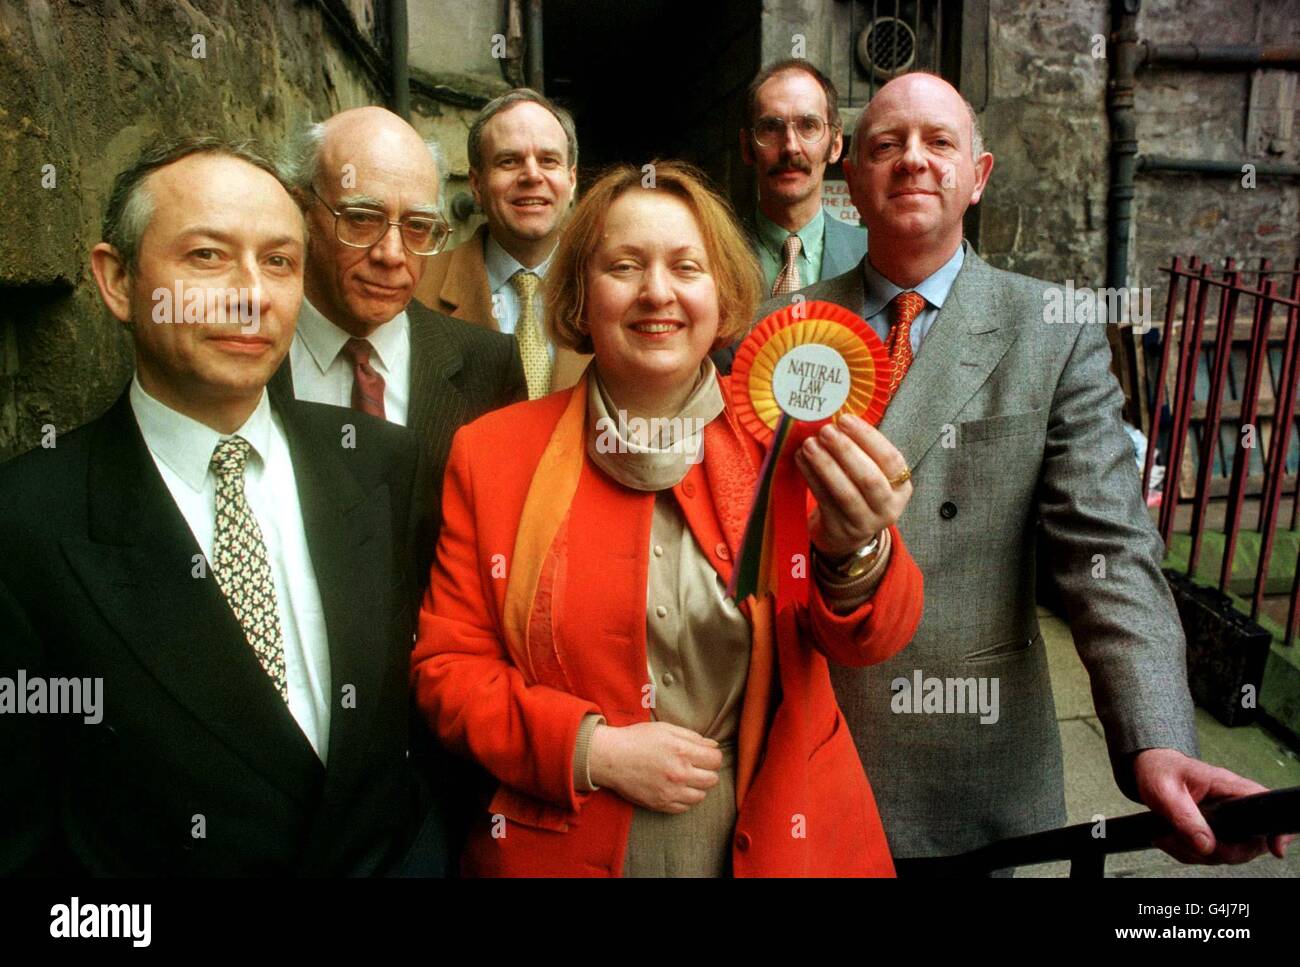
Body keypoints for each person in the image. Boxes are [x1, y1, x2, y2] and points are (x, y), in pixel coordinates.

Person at [759, 71, 1291, 872]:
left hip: (962, 770)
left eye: (940, 142)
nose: (913, 160)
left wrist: (1158, 741)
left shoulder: (1053, 331)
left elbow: (1107, 551)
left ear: (978, 177)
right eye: (886, 145)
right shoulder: (779, 332)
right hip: (799, 747)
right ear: (852, 180)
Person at [410, 160, 924, 877]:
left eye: (687, 266)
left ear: (723, 295)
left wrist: (857, 551)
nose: (658, 292)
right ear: (582, 297)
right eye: (624, 266)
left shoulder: (784, 437)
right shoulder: (493, 454)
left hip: (783, 840)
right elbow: (448, 667)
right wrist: (590, 750)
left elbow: (876, 639)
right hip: (563, 837)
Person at [0, 137, 449, 875]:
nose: (252, 293)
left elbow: (404, 769)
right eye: (207, 256)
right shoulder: (25, 528)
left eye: (279, 261)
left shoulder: (382, 466)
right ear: (117, 280)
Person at [273, 107, 526, 574]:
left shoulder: (488, 366)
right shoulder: (246, 361)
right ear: (301, 211)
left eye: (416, 227)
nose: (392, 255)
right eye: (362, 219)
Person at [413, 89, 590, 398]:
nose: (532, 175)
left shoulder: (607, 291)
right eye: (509, 161)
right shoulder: (417, 289)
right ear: (476, 184)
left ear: (571, 180)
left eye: (548, 161)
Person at [740, 59, 867, 297]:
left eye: (808, 125)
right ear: (746, 147)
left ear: (836, 144)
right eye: (770, 127)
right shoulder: (713, 254)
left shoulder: (873, 255)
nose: (791, 147)